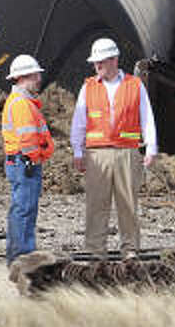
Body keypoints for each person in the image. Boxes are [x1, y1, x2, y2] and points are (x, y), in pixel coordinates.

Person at [70, 37, 158, 259]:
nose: (96, 66)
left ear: (114, 60)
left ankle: (130, 250)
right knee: (96, 205)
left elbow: (147, 118)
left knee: (128, 204)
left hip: (127, 152)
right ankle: (95, 251)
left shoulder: (134, 85)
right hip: (97, 154)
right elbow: (79, 122)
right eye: (95, 63)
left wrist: (151, 147)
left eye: (101, 62)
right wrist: (78, 151)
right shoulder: (88, 87)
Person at [0, 53, 54, 265]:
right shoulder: (22, 103)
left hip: (22, 162)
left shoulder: (21, 101)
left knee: (22, 208)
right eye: (35, 75)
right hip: (25, 163)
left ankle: (20, 255)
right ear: (23, 77)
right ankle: (22, 256)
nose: (39, 79)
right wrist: (36, 158)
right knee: (24, 209)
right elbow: (28, 139)